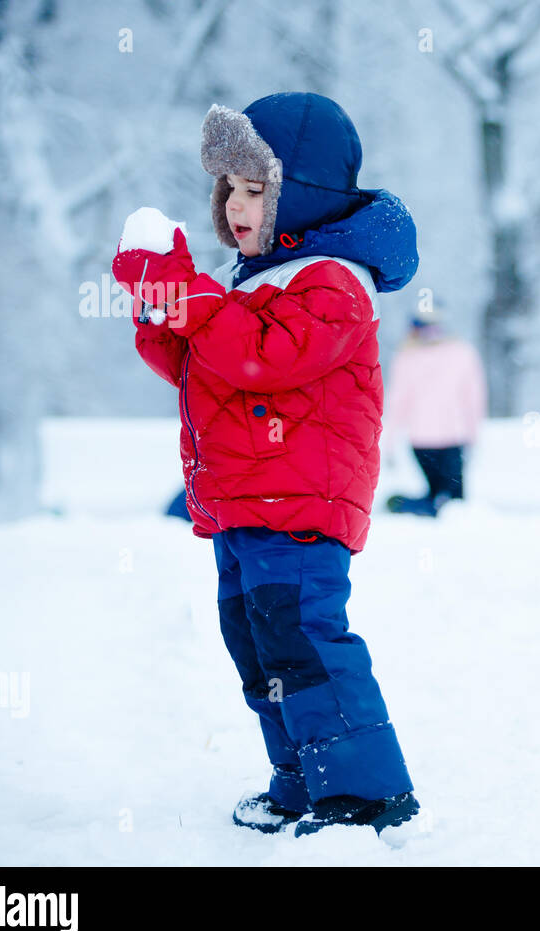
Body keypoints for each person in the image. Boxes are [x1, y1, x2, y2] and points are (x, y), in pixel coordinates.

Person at [112, 92, 421, 840]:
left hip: (301, 503)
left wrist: (194, 299)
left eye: (257, 189)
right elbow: (199, 362)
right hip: (247, 506)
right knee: (259, 645)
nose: (237, 206)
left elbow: (263, 356)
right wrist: (162, 304)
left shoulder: (332, 281)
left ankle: (366, 795)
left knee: (306, 640)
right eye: (229, 189)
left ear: (302, 195)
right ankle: (302, 777)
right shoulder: (248, 281)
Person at [383, 308, 487, 517]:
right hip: (434, 438)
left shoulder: (460, 353)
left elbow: (473, 397)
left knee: (449, 500)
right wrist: (388, 443)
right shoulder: (409, 356)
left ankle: (404, 505)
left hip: (444, 438)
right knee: (452, 502)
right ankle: (407, 506)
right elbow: (398, 402)